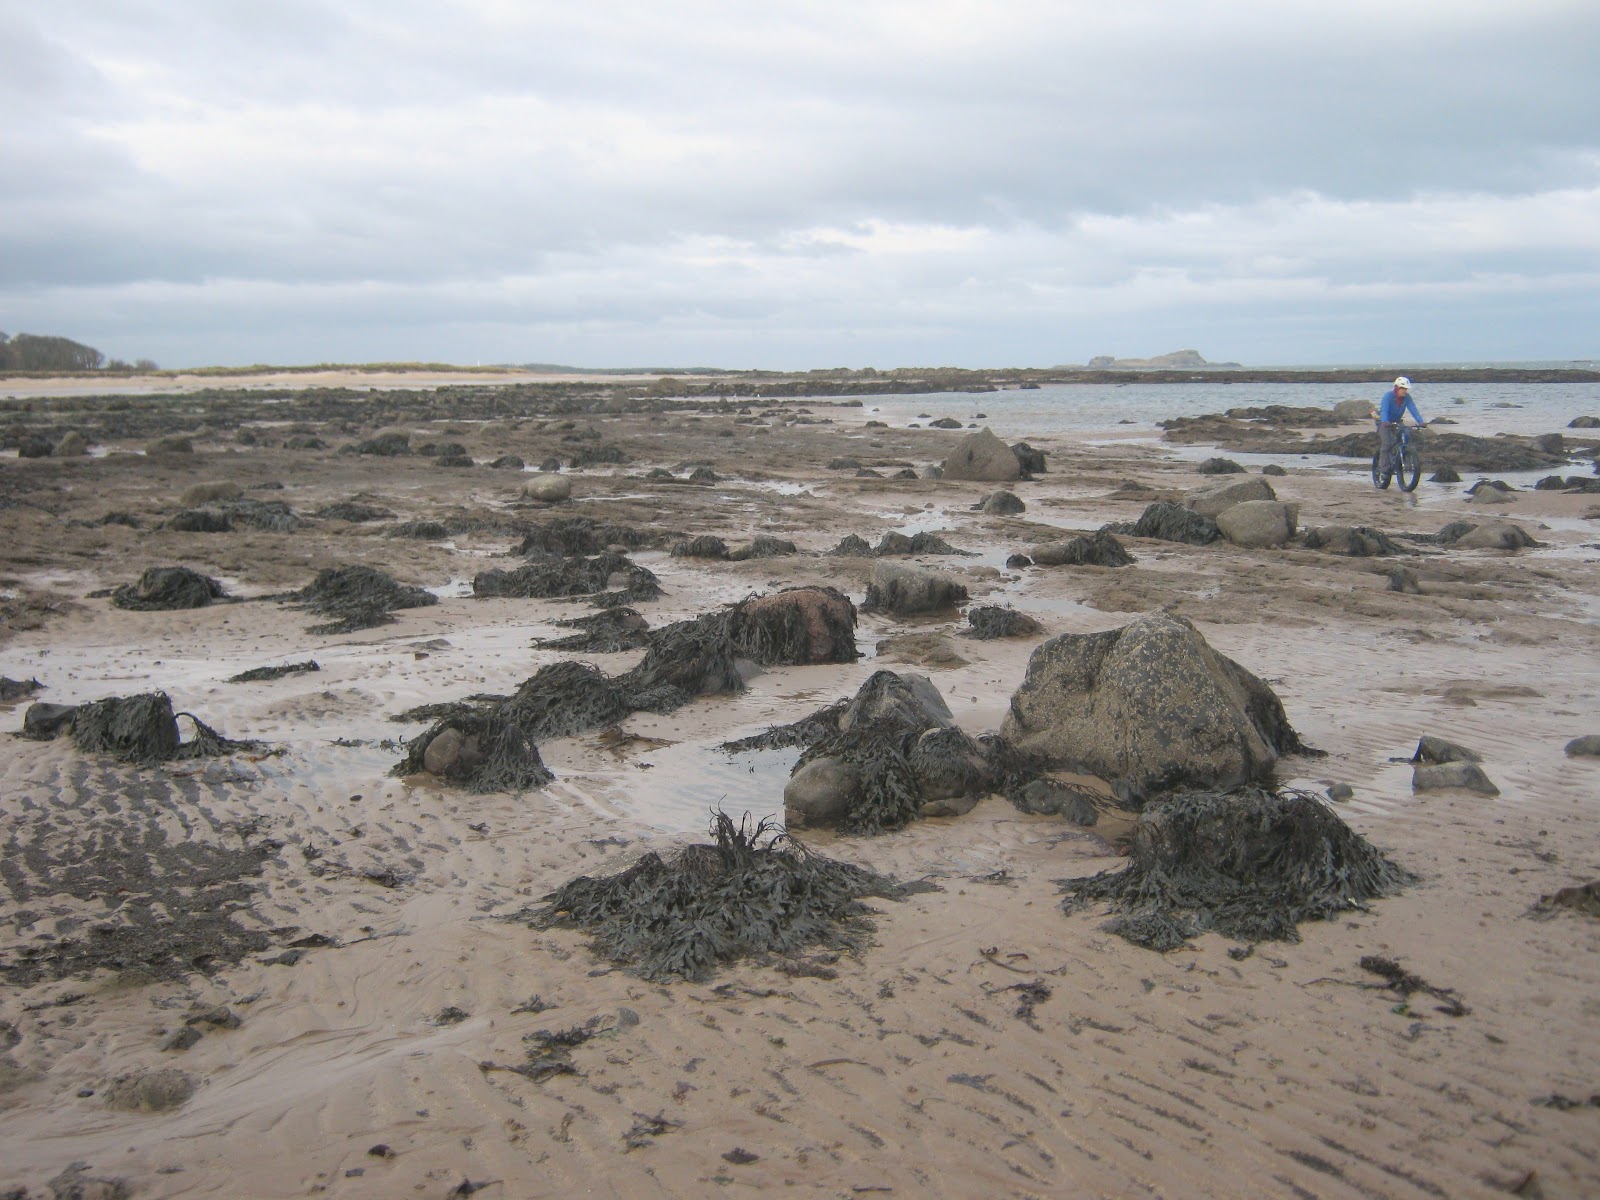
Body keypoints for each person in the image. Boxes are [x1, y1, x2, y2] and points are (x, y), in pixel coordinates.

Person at [1371, 376, 1425, 476]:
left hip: (1396, 421)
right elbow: (1384, 410)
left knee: (1406, 435)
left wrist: (1421, 421)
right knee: (1387, 443)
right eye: (1402, 388)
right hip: (1383, 421)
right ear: (1397, 388)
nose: (1404, 391)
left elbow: (1413, 410)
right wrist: (1385, 421)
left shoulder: (1407, 398)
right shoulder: (1388, 396)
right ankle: (1384, 470)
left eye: (1406, 389)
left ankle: (1405, 459)